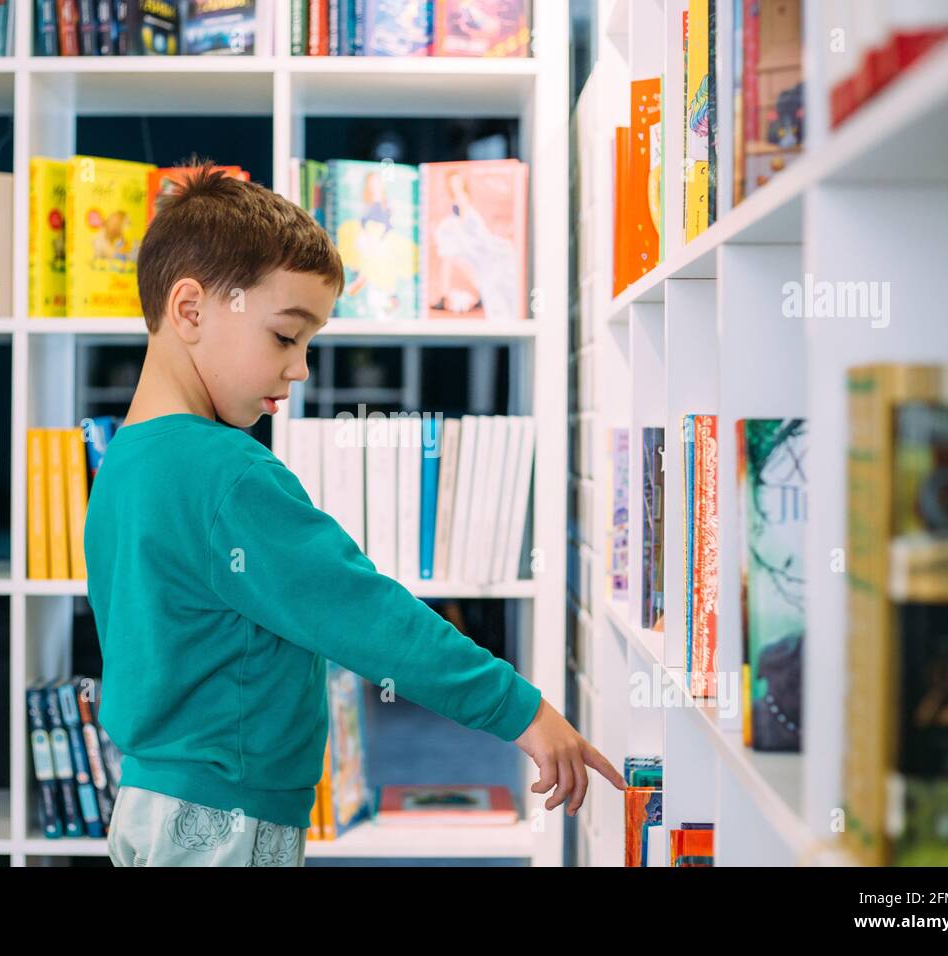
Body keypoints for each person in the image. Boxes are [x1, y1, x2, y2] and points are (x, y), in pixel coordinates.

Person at [86, 164, 624, 868]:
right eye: (286, 337)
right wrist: (522, 711)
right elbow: (366, 615)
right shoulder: (229, 474)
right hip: (223, 822)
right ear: (190, 310)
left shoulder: (122, 461)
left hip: (149, 805)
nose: (302, 368)